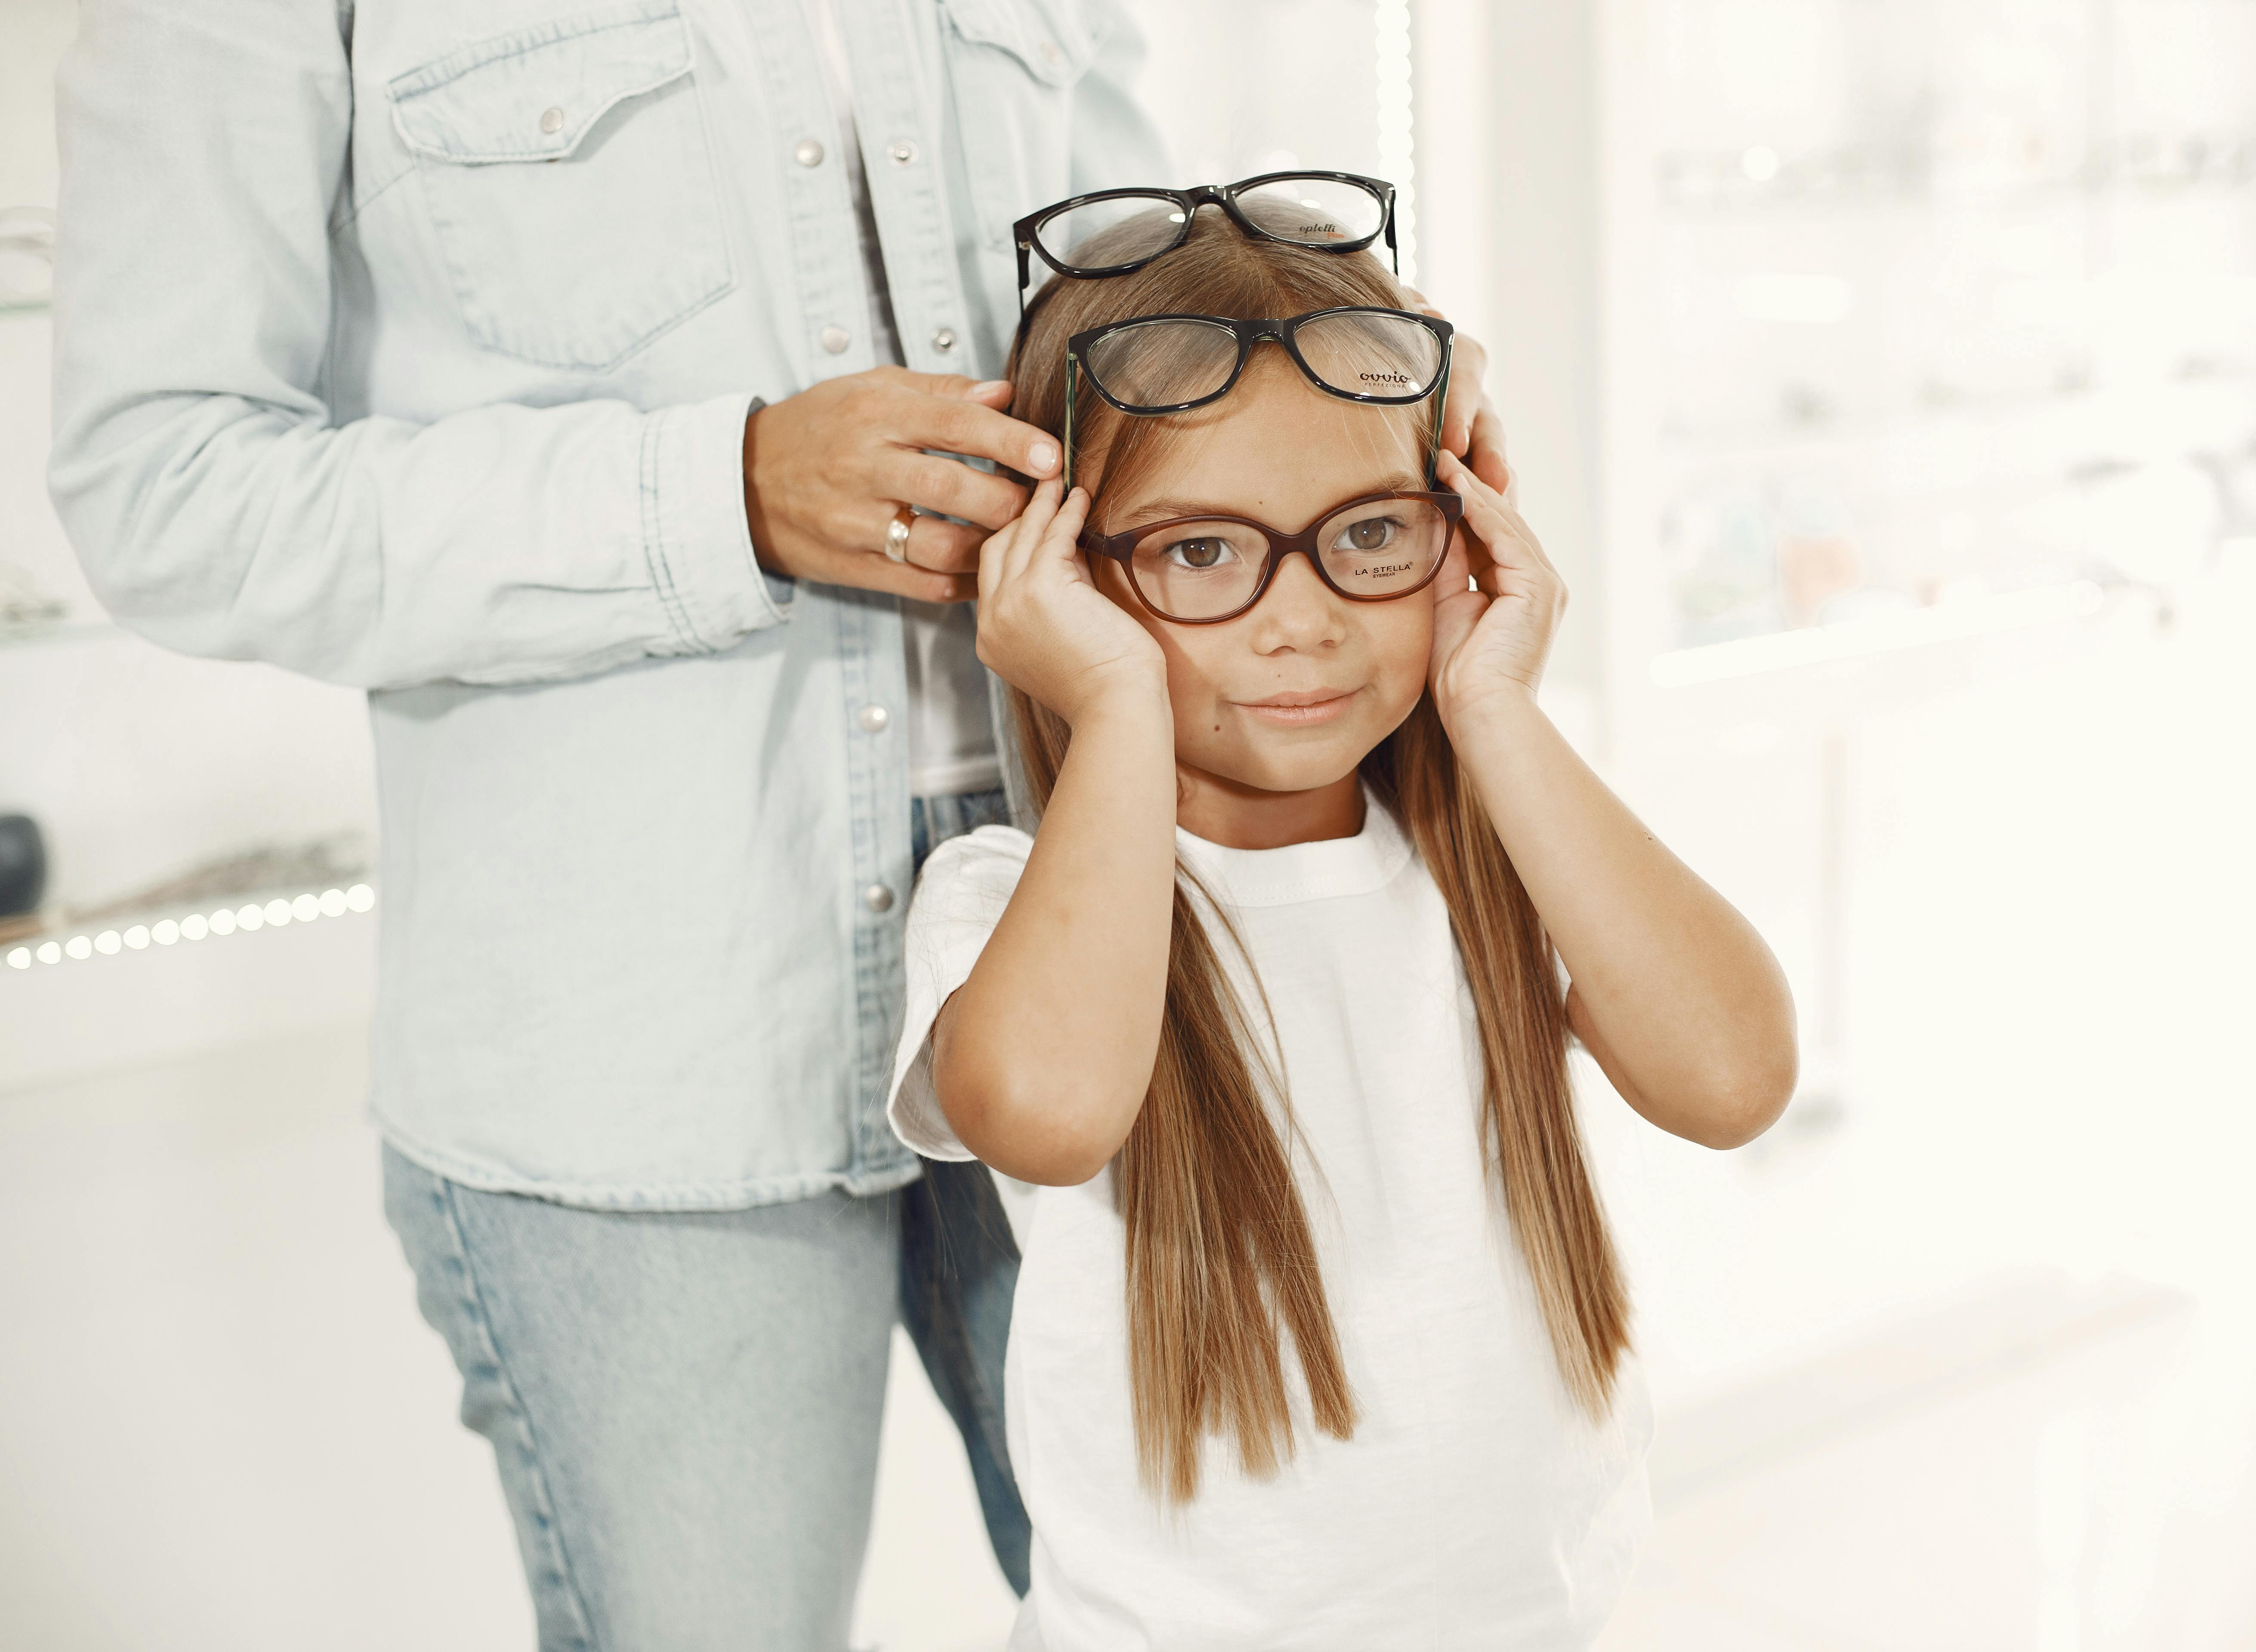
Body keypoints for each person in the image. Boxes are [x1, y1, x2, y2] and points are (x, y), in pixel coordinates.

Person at [44, 3, 1515, 1647]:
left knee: (1255, 1608)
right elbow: (162, 491)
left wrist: (1345, 385)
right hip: (642, 1033)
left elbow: (1143, 311)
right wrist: (720, 491)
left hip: (1114, 928)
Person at [887, 210, 1800, 1648]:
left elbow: (1733, 1077)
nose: (1301, 620)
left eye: (1368, 535)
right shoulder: (1009, 899)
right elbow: (1049, 1111)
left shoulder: (1492, 851)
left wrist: (1493, 696)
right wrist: (1117, 702)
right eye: (1200, 552)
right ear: (1061, 576)